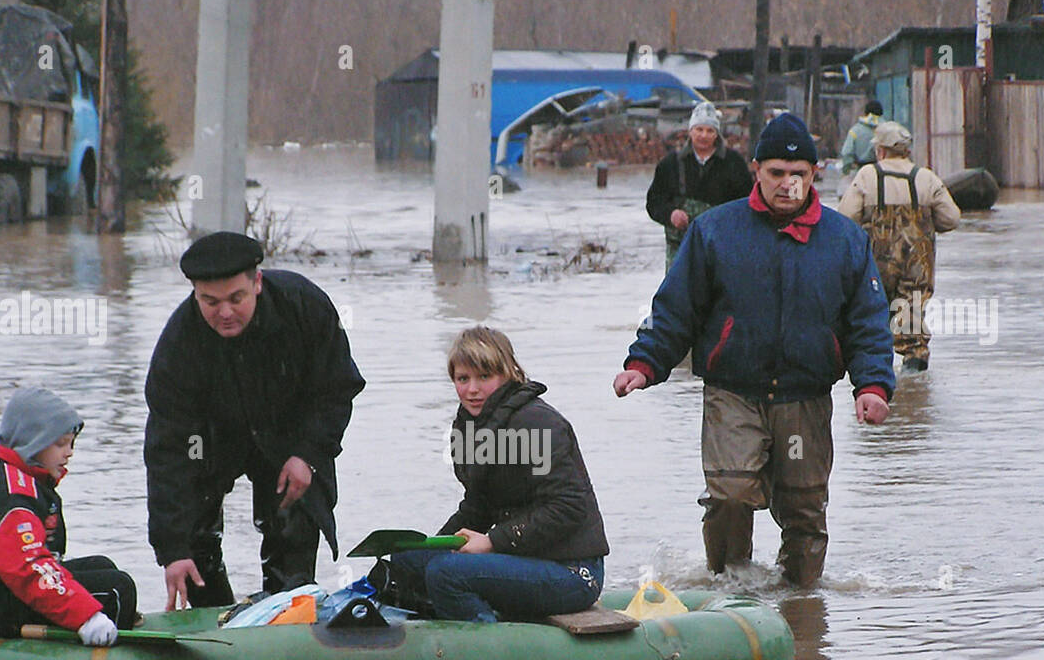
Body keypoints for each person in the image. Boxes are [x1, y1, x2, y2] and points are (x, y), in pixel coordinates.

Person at [613, 112, 895, 587]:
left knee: (805, 510)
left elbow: (868, 322)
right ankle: (731, 593)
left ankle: (802, 610)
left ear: (814, 175)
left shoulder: (845, 239)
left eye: (799, 174)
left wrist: (872, 386)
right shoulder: (716, 231)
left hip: (804, 398)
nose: (789, 184)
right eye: (777, 174)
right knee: (730, 496)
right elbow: (677, 308)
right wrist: (645, 363)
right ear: (757, 171)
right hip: (733, 393)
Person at [145, 231, 365, 610]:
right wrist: (172, 548)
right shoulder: (178, 345)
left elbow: (337, 387)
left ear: (257, 283)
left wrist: (309, 454)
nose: (225, 313)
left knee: (291, 532)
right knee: (194, 551)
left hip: (289, 437)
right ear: (194, 294)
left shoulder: (303, 305)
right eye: (209, 302)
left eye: (236, 298)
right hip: (208, 443)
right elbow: (168, 451)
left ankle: (287, 613)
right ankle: (215, 620)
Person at [390, 326, 608, 622]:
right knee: (407, 559)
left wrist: (493, 541)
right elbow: (476, 508)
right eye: (462, 379)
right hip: (521, 559)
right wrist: (435, 546)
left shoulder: (537, 424)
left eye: (484, 377)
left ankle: (486, 645)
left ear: (509, 373)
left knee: (446, 574)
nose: (472, 389)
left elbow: (568, 508)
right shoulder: (468, 429)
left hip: (572, 572)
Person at [0, 387, 135, 644]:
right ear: (34, 443)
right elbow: (30, 569)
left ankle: (104, 628)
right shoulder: (11, 496)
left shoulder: (27, 479)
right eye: (60, 444)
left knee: (103, 565)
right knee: (117, 588)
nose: (70, 452)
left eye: (71, 443)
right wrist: (86, 617)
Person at [838, 120, 961, 371]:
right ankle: (914, 382)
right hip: (918, 266)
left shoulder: (867, 176)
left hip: (876, 266)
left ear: (880, 150)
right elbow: (951, 218)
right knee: (911, 319)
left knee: (871, 317)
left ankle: (875, 377)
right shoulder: (927, 178)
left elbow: (845, 218)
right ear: (907, 151)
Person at [646, 102, 753, 270]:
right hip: (679, 250)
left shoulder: (734, 163)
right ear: (690, 131)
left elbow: (747, 206)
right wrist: (671, 214)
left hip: (720, 249)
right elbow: (654, 202)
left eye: (710, 131)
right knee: (677, 295)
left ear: (717, 134)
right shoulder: (670, 164)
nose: (704, 135)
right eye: (699, 129)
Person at [839, 99, 884, 176]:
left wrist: (846, 170)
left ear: (865, 113)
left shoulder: (855, 130)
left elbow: (847, 153)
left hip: (861, 172)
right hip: (883, 172)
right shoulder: (888, 129)